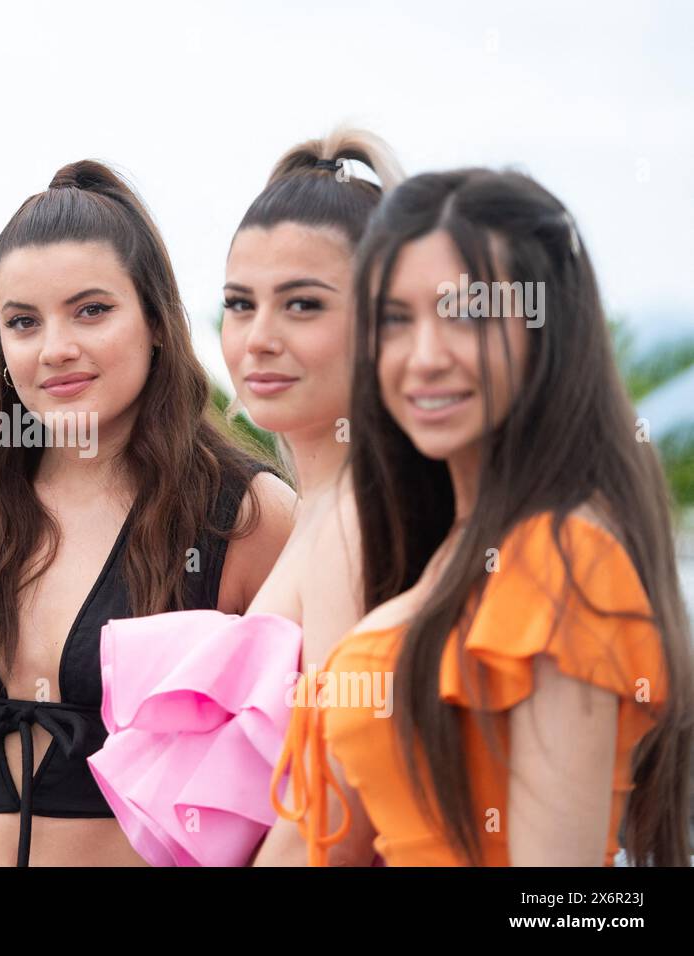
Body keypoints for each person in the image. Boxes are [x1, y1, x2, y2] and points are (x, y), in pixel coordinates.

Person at [274, 168, 692, 866]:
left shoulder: (560, 556)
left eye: (466, 314)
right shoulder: (449, 544)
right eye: (396, 320)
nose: (425, 357)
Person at [0, 160, 295, 867]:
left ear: (155, 319)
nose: (56, 348)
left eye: (91, 310)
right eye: (23, 322)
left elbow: (301, 779)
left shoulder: (244, 514)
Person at [84, 131, 403, 867]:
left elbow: (334, 818)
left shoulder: (357, 523)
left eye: (302, 305)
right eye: (239, 303)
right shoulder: (321, 508)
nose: (257, 339)